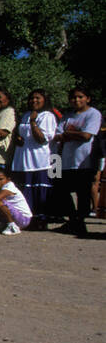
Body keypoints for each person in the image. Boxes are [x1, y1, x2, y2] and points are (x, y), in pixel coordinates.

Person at [51, 87, 100, 236]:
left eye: (80, 97)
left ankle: (80, 222)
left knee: (83, 193)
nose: (76, 100)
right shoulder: (67, 116)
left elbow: (86, 135)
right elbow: (57, 135)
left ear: (88, 98)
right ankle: (72, 220)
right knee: (63, 191)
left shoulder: (93, 114)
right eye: (73, 97)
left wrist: (68, 134)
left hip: (84, 160)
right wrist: (71, 134)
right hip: (66, 159)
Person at [10, 89, 57, 231]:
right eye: (31, 98)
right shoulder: (25, 115)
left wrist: (33, 122)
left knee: (38, 190)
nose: (34, 101)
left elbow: (42, 139)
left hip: (38, 160)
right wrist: (17, 138)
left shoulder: (47, 116)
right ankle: (26, 219)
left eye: (38, 98)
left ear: (45, 100)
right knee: (24, 190)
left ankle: (40, 220)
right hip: (22, 158)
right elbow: (21, 135)